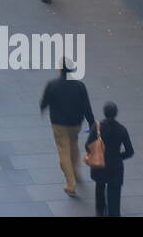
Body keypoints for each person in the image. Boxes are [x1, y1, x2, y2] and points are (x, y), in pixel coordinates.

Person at [39, 63, 97, 198]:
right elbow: (86, 106)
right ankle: (75, 171)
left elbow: (44, 101)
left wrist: (42, 108)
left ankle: (71, 183)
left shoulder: (52, 84)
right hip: (75, 123)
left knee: (63, 151)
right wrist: (91, 122)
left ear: (60, 70)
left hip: (59, 124)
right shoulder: (79, 86)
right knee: (73, 145)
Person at [85, 102, 134, 217]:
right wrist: (119, 157)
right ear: (116, 113)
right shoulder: (121, 129)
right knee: (114, 193)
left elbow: (88, 145)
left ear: (104, 113)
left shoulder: (97, 128)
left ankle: (100, 210)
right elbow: (130, 151)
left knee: (100, 186)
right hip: (115, 165)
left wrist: (95, 153)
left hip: (100, 164)